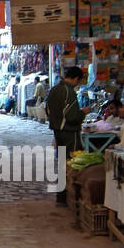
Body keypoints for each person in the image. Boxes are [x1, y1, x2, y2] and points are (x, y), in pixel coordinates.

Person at [46, 67, 85, 202]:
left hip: (58, 130)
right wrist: (83, 112)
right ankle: (72, 195)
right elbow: (72, 116)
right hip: (69, 131)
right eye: (78, 81)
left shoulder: (54, 89)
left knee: (63, 162)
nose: (77, 84)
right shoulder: (69, 91)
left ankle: (61, 194)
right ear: (76, 79)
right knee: (72, 162)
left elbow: (48, 110)